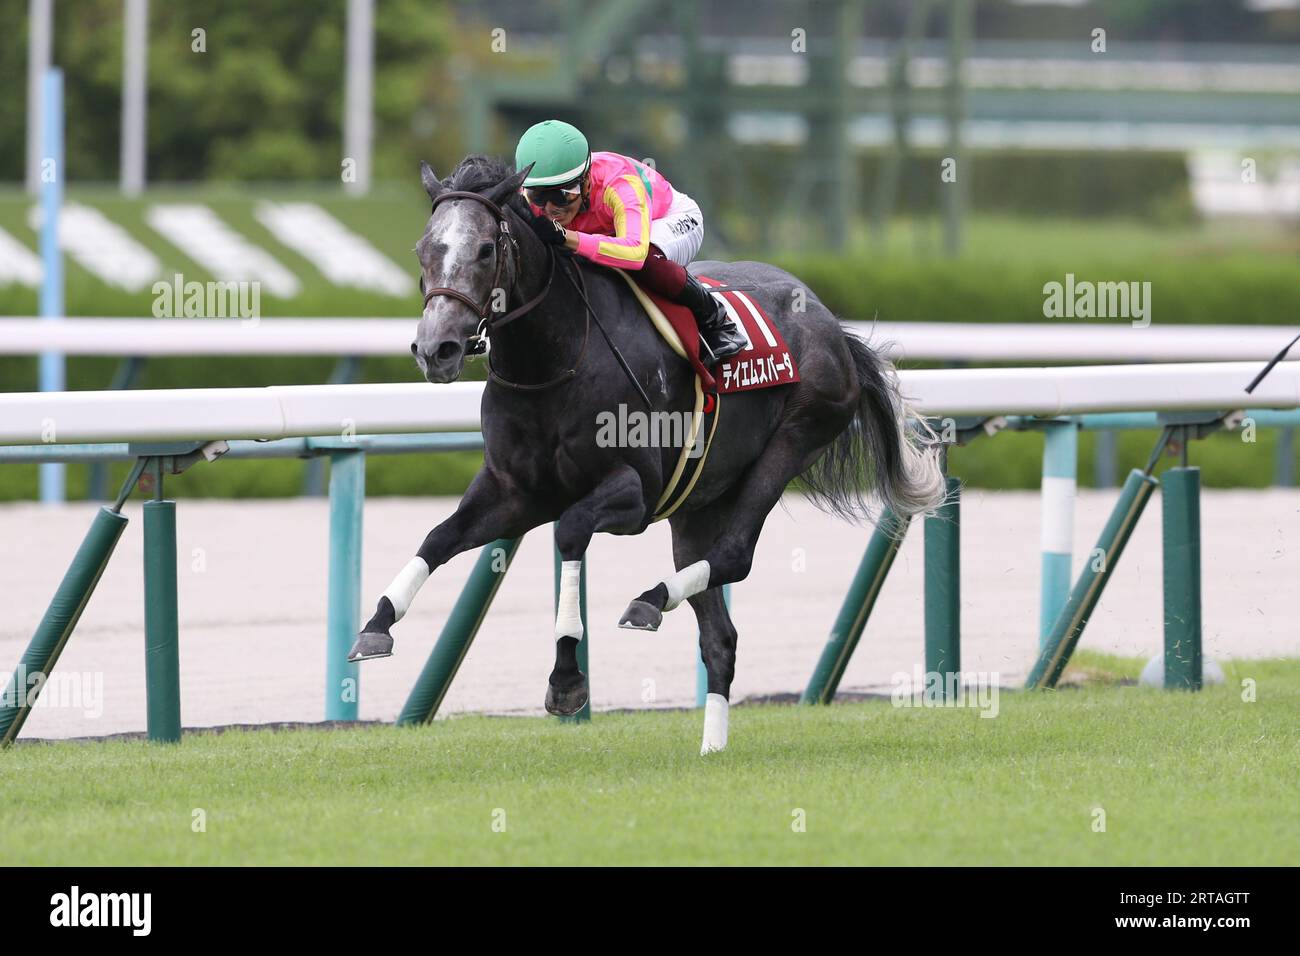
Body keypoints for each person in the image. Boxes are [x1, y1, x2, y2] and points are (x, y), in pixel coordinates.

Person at [514, 120, 746, 364]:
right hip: (612, 233)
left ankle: (718, 321)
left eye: (562, 196)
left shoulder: (620, 184)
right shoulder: (530, 197)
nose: (551, 209)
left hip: (668, 220)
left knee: (647, 260)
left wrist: (567, 237)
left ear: (586, 181)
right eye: (540, 196)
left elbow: (634, 252)